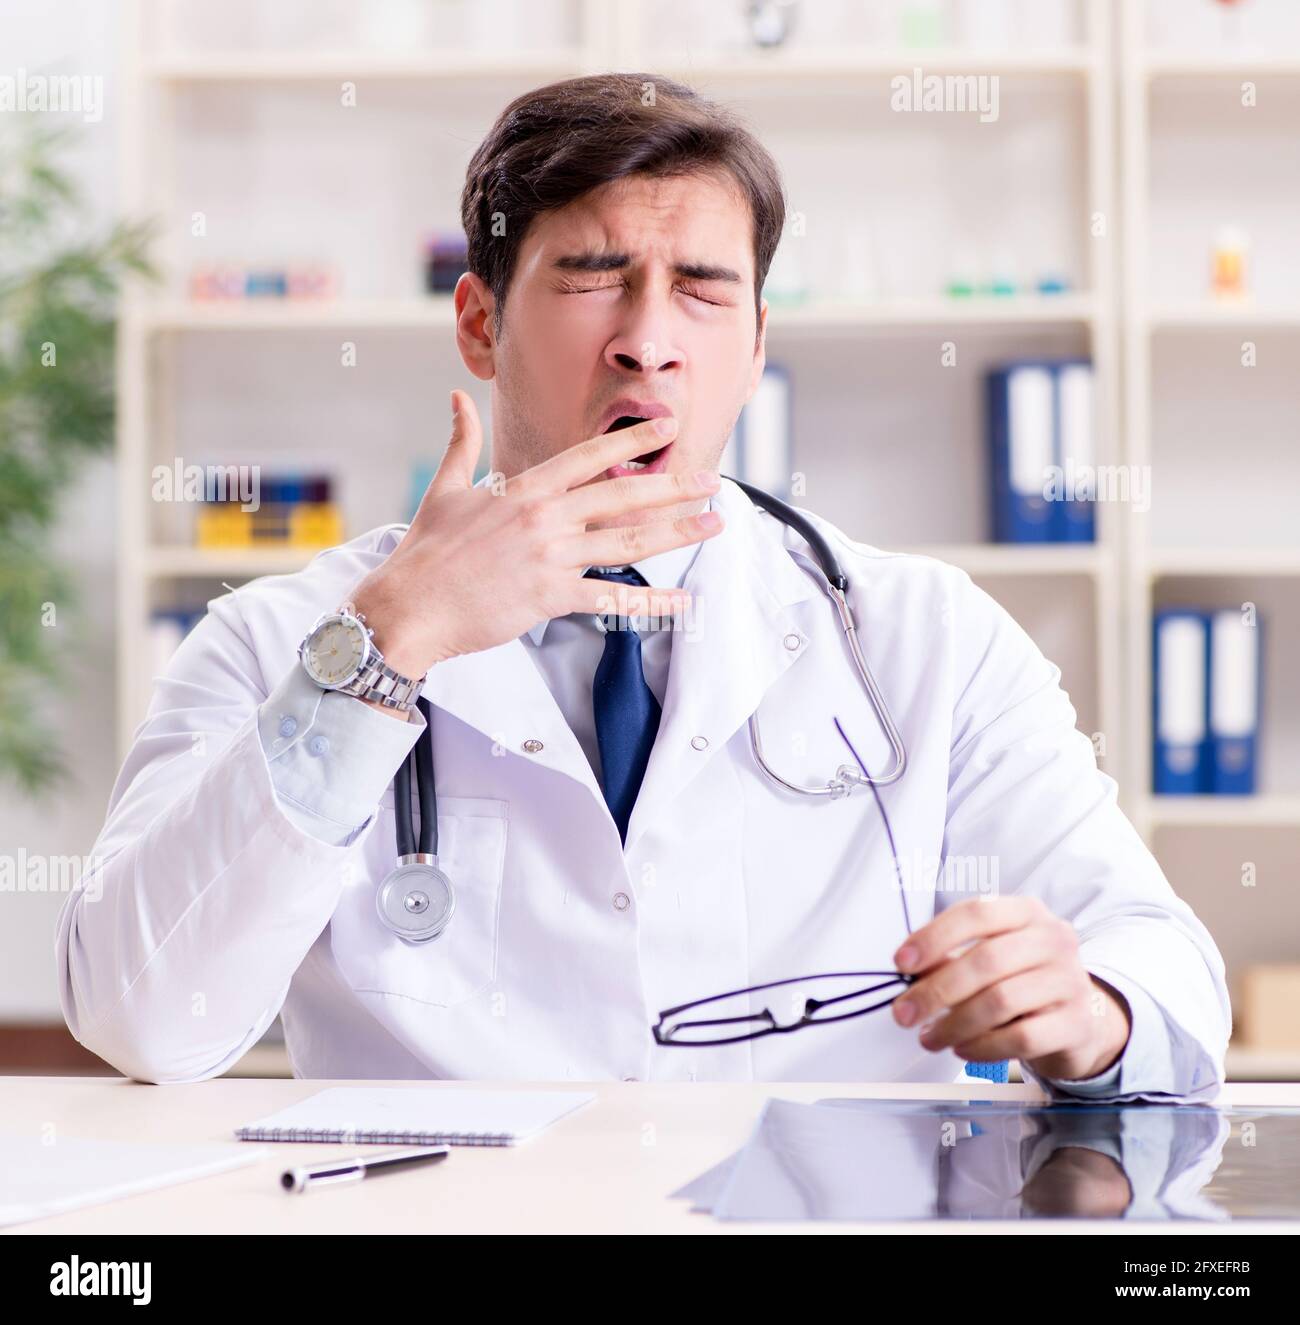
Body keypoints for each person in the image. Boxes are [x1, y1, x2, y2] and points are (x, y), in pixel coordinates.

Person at [58, 73, 1229, 1096]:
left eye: (703, 288)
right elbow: (141, 1017)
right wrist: (391, 641)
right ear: (478, 322)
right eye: (593, 274)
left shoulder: (925, 637)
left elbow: (1161, 961)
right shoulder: (286, 640)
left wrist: (1091, 1011)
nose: (648, 340)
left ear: (757, 342)